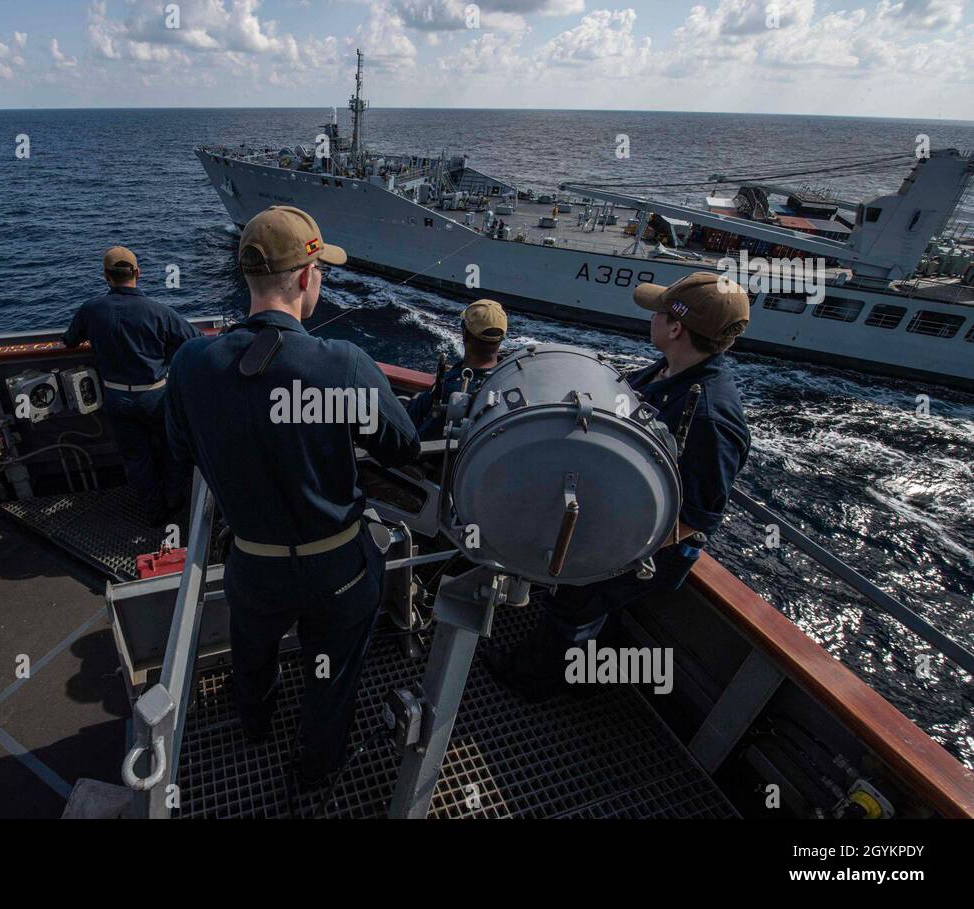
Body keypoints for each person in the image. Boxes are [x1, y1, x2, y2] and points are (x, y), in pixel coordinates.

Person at [165, 206, 421, 787]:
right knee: (332, 680)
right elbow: (402, 447)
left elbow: (181, 452)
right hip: (339, 568)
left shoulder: (190, 365)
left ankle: (253, 726)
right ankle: (316, 770)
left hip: (254, 564)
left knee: (252, 658)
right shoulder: (343, 364)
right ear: (306, 278)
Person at [484, 272, 751, 699]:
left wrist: (606, 552)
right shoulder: (669, 370)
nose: (653, 319)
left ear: (676, 328)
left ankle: (533, 682)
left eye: (658, 313)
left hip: (642, 548)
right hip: (615, 518)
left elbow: (699, 516)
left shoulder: (712, 418)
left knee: (573, 610)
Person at [63, 246, 198, 526]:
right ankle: (174, 500)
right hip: (154, 395)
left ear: (105, 276)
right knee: (173, 449)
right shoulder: (158, 311)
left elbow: (70, 340)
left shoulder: (92, 309)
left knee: (137, 458)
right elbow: (193, 339)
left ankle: (153, 511)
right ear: (137, 273)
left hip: (116, 397)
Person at [406, 299, 508, 440]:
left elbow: (420, 441)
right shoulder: (508, 380)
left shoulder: (450, 391)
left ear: (464, 334)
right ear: (501, 338)